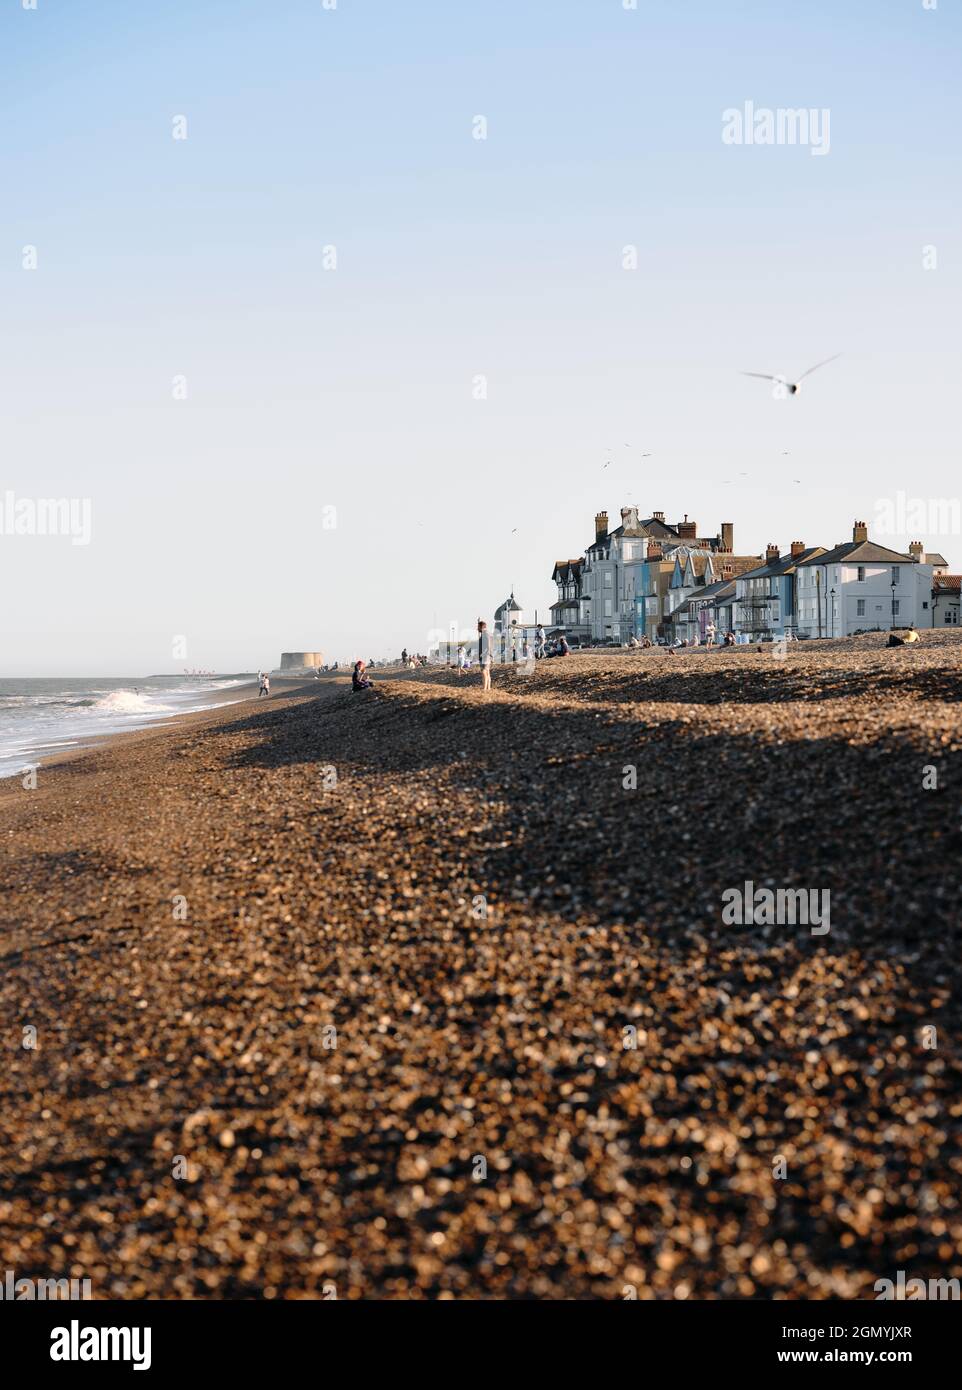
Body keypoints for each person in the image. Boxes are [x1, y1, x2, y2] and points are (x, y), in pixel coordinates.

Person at [478, 619, 491, 691]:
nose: (477, 628)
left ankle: (484, 688)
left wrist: (483, 654)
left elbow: (488, 646)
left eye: (478, 627)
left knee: (484, 671)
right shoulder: (485, 633)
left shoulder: (486, 633)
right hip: (486, 656)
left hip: (485, 656)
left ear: (481, 627)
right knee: (487, 672)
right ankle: (488, 688)